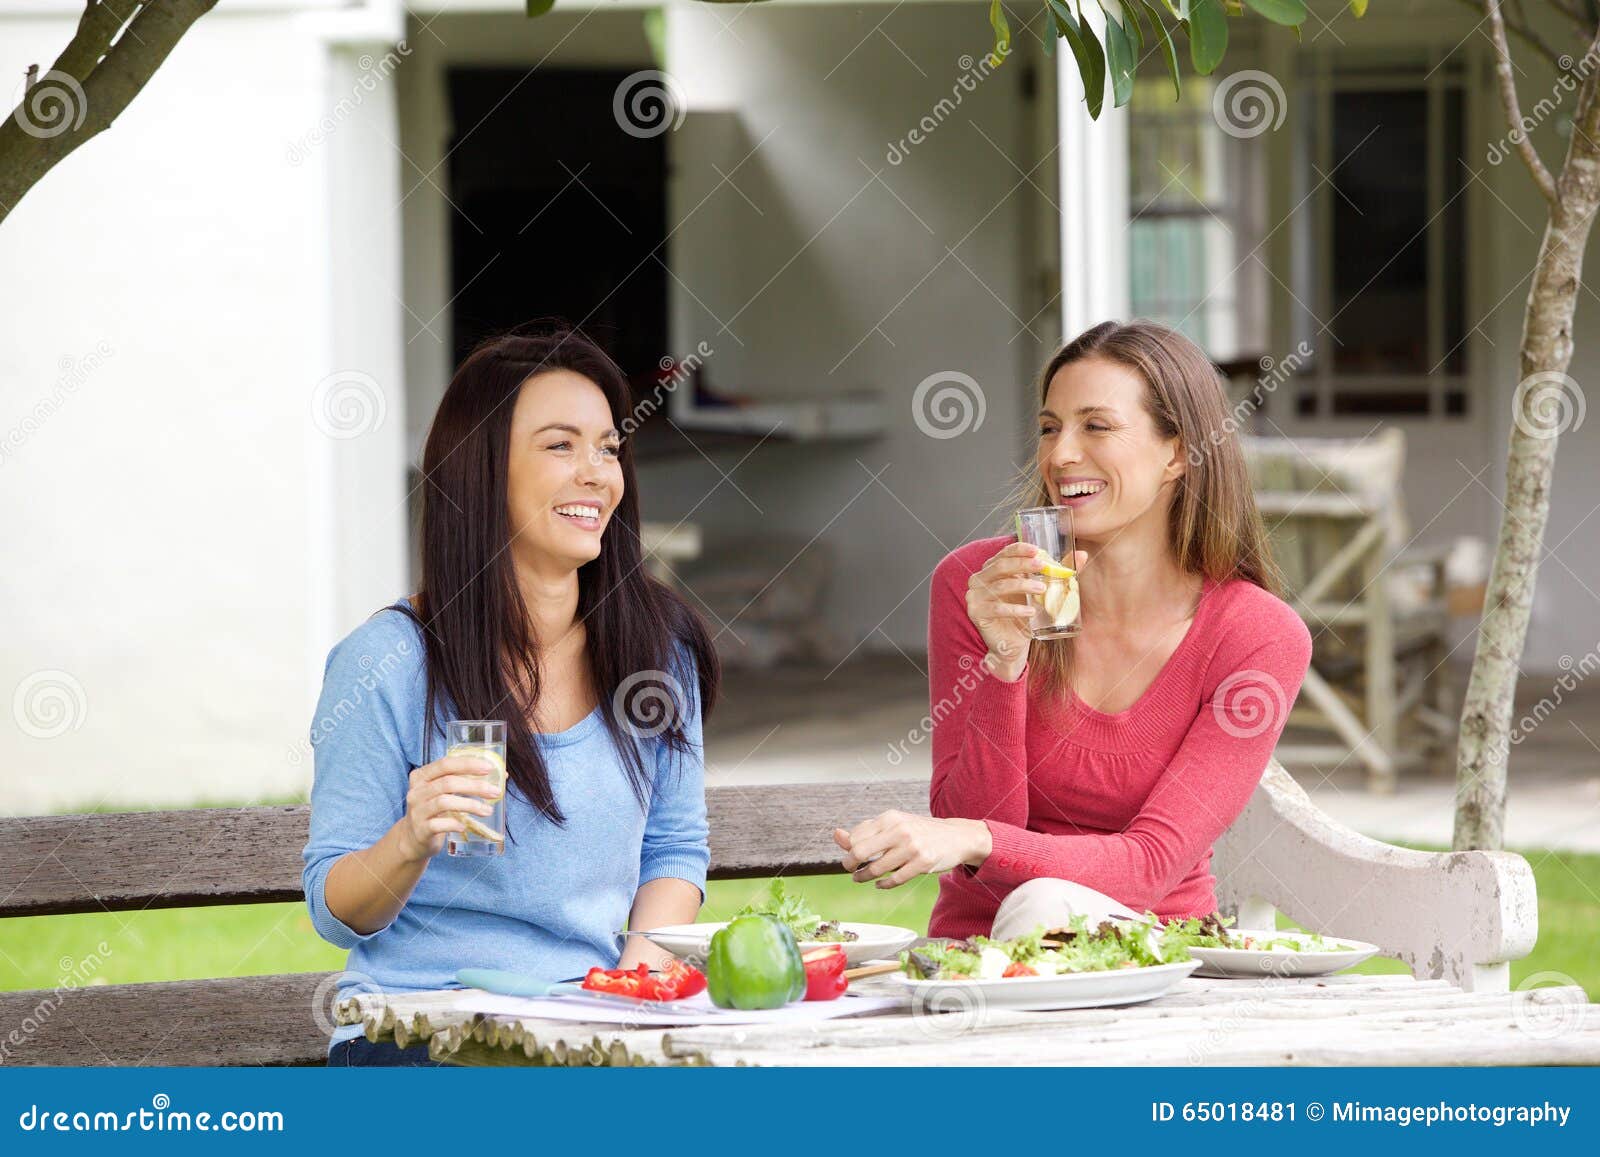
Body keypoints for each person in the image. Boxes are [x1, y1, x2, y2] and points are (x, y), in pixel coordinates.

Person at [302, 325, 718, 1065]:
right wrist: (410, 837)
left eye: (608, 447)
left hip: (590, 1025)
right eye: (561, 446)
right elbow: (336, 910)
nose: (596, 472)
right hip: (420, 1035)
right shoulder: (388, 662)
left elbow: (674, 850)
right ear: (481, 471)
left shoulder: (656, 650)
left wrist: (630, 989)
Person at [834, 320, 1313, 938]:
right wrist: (1004, 663)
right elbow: (975, 843)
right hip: (982, 963)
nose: (1060, 455)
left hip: (1150, 962)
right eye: (1049, 427)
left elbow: (1149, 867)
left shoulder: (1257, 635)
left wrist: (972, 838)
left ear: (1178, 451)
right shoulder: (979, 585)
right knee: (1030, 912)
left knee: (1045, 907)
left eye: (1097, 426)